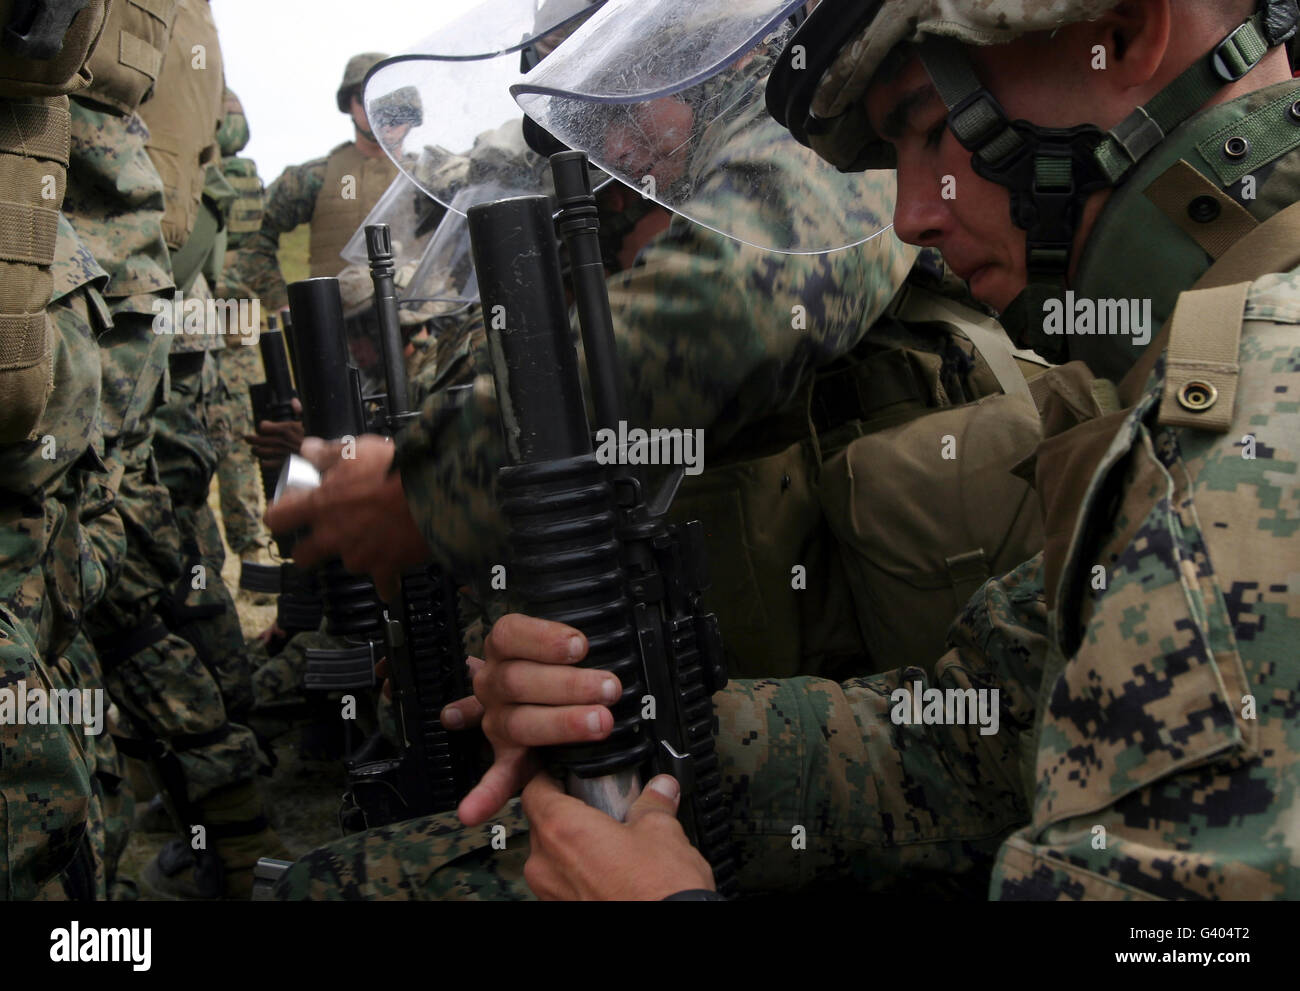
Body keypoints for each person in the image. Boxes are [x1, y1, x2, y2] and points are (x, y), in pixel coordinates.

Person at [277, 0, 1300, 900]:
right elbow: (980, 742)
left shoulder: (1254, 441)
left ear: (1123, 32)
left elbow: (739, 301)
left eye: (934, 128)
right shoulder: (1188, 405)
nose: (906, 211)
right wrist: (644, 725)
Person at [230, 53, 419, 314]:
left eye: (395, 100)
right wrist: (282, 302)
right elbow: (250, 233)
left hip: (426, 335)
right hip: (341, 333)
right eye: (367, 100)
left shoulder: (433, 177)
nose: (385, 112)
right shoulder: (314, 177)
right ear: (350, 105)